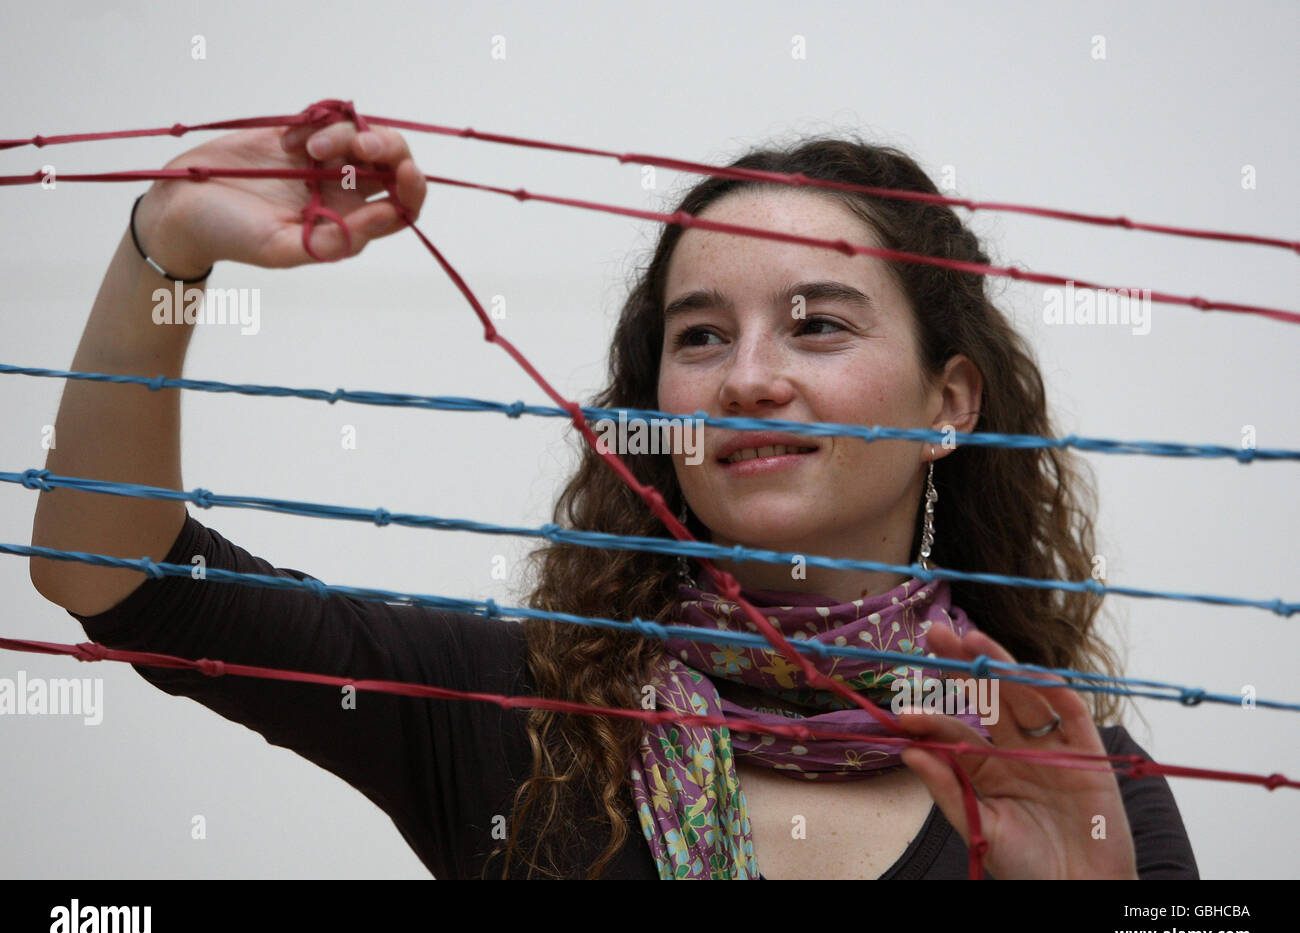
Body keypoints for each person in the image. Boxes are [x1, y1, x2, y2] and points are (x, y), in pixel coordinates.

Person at [28, 117, 1198, 880]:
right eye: (700, 336)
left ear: (948, 402)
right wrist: (171, 246)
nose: (746, 377)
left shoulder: (1072, 775)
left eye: (818, 323)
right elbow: (111, 572)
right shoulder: (514, 716)